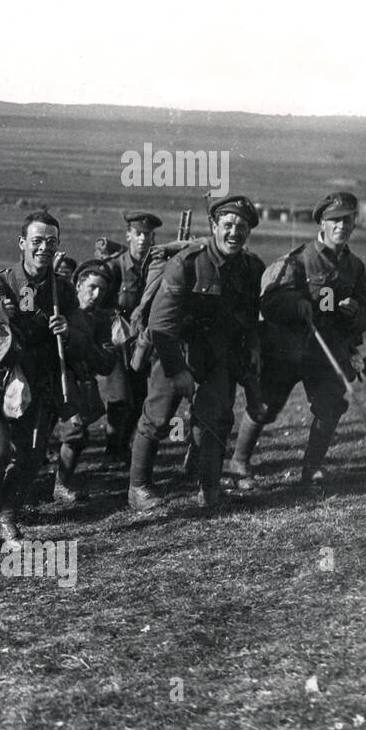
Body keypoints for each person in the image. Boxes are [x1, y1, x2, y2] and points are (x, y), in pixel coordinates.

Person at [0, 211, 88, 540]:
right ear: (23, 244)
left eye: (51, 242)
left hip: (41, 386)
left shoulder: (62, 291)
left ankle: (7, 515)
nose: (44, 248)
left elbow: (83, 335)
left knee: (31, 457)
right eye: (37, 241)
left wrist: (67, 332)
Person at [127, 196, 264, 511]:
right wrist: (177, 370)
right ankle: (139, 487)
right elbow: (162, 324)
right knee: (157, 419)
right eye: (227, 225)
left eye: (241, 227)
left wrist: (253, 348)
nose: (234, 233)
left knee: (215, 419)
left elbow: (250, 318)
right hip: (176, 347)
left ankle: (209, 488)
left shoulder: (251, 267)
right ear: (214, 226)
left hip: (219, 354)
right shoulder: (187, 262)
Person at [229, 191, 366, 487]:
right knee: (264, 407)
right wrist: (296, 305)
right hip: (287, 350)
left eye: (347, 220)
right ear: (322, 223)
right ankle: (239, 463)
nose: (341, 226)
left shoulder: (355, 267)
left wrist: (356, 311)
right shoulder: (298, 260)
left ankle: (312, 468)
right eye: (334, 220)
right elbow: (268, 303)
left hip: (327, 352)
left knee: (330, 407)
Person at [51, 260, 119, 502]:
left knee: (77, 434)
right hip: (49, 380)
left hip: (76, 384)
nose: (97, 295)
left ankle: (61, 484)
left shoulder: (102, 321)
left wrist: (80, 343)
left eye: (102, 289)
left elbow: (107, 362)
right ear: (78, 285)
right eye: (91, 287)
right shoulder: (58, 308)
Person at [101, 213, 162, 465]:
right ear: (128, 236)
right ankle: (111, 449)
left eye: (147, 235)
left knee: (138, 399)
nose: (143, 239)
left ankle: (123, 446)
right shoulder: (114, 267)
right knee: (119, 398)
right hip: (116, 344)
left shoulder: (156, 267)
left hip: (141, 345)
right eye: (138, 234)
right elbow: (98, 305)